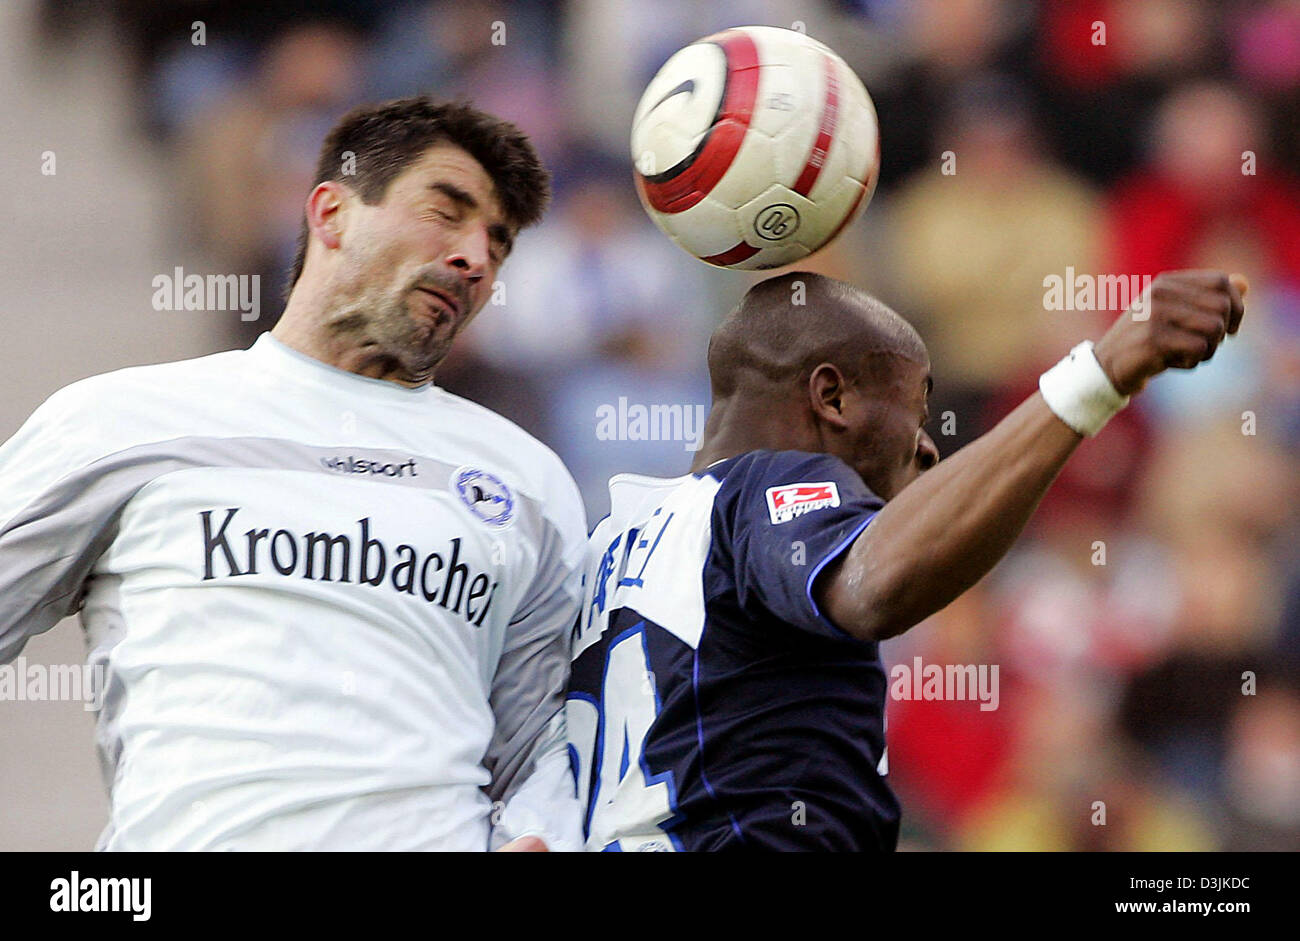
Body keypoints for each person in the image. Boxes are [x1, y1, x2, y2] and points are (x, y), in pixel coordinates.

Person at [0, 96, 586, 851]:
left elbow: (547, 741)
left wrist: (543, 832)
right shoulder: (123, 421)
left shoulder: (526, 479)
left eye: (498, 245)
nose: (475, 256)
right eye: (447, 211)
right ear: (331, 211)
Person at [568, 268, 1246, 851]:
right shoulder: (766, 486)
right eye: (915, 410)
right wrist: (1098, 376)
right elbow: (872, 585)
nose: (927, 449)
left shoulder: (609, 544)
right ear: (832, 397)